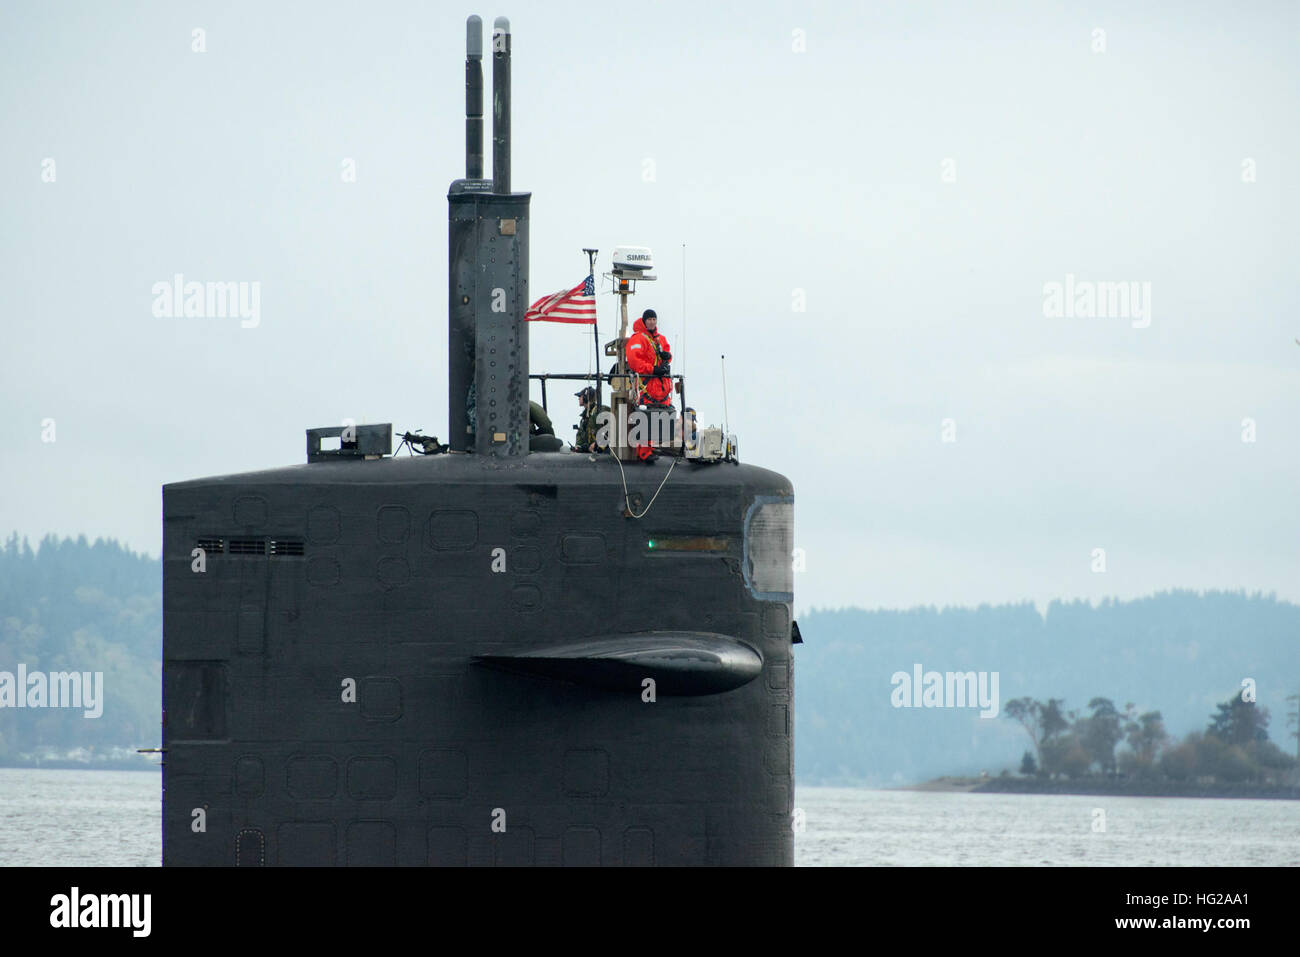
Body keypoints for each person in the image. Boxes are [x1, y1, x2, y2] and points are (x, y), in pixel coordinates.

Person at [625, 308, 672, 407]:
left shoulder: (661, 339)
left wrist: (667, 357)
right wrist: (653, 370)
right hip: (646, 395)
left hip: (664, 397)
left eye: (654, 319)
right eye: (649, 319)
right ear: (644, 321)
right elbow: (634, 362)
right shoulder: (637, 339)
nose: (652, 322)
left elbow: (668, 357)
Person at [573, 386, 607, 452]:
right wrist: (578, 447)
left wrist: (598, 444)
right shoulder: (585, 417)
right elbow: (581, 435)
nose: (578, 399)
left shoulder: (600, 411)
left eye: (580, 396)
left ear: (586, 398)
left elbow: (612, 429)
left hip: (599, 452)